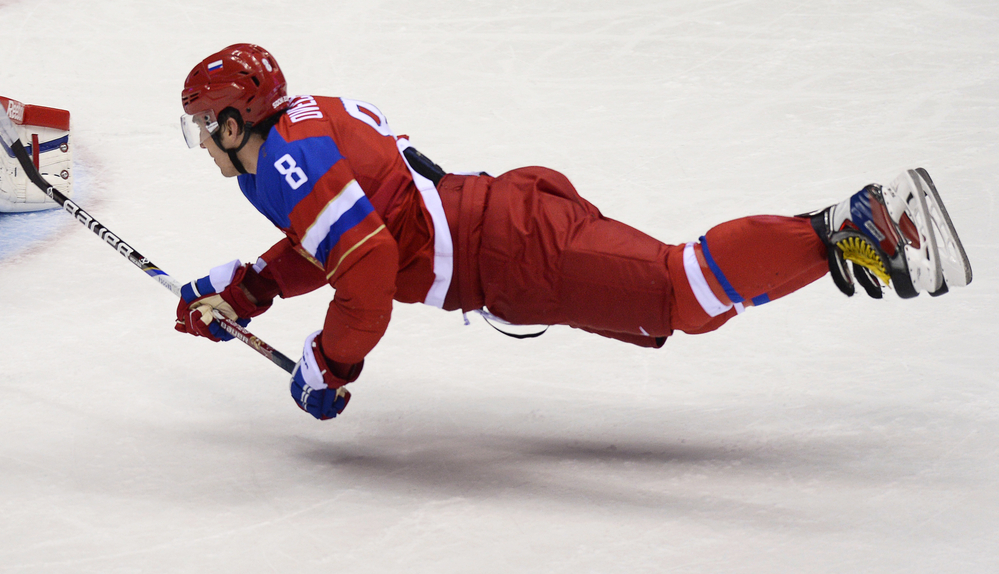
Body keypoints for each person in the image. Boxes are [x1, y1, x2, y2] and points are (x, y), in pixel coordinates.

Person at [172, 44, 972, 421]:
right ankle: (837, 236)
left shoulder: (281, 161)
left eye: (204, 125)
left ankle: (851, 229)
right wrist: (258, 286)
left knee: (679, 289)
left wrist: (333, 362)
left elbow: (368, 263)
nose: (202, 141)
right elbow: (353, 229)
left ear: (238, 117)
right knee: (674, 292)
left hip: (514, 250)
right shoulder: (303, 131)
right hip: (505, 228)